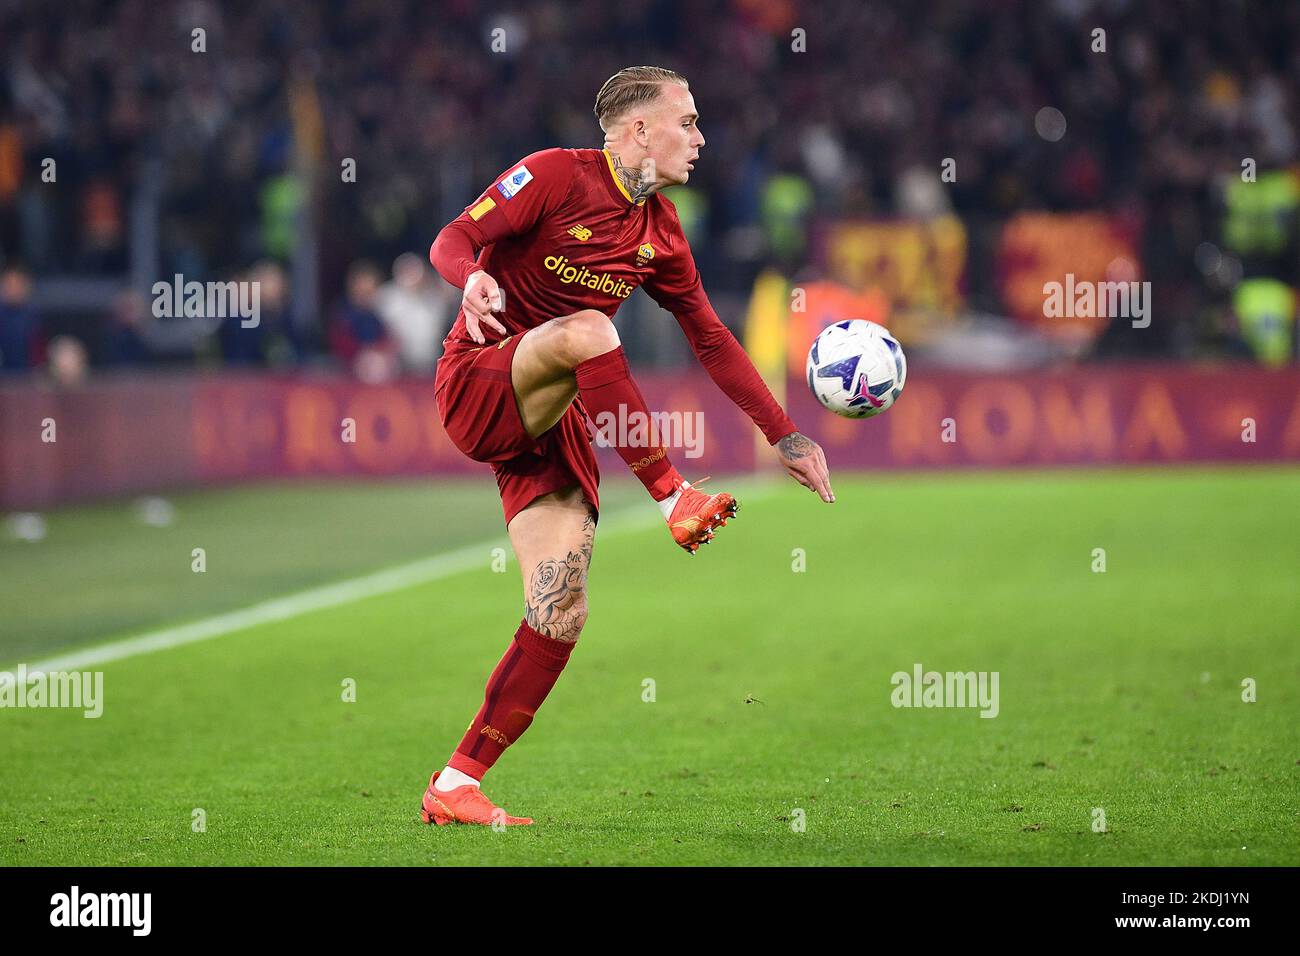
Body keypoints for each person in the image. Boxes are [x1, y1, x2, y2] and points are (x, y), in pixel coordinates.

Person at [422, 66, 834, 827]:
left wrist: (787, 433)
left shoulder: (662, 235)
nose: (701, 138)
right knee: (593, 329)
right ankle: (675, 497)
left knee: (559, 610)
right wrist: (469, 280)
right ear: (639, 130)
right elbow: (454, 237)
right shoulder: (554, 175)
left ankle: (454, 784)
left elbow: (710, 338)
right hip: (482, 382)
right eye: (688, 121)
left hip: (551, 425)